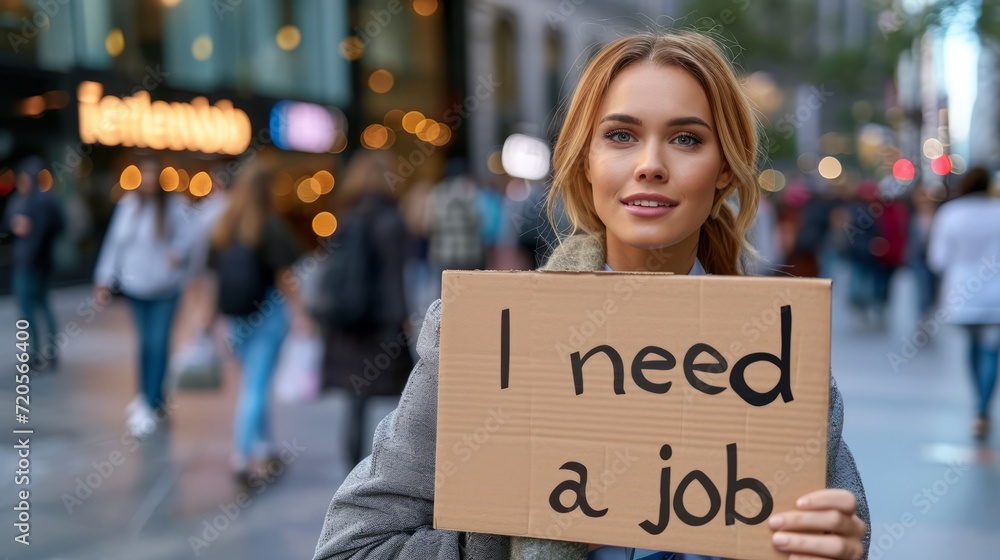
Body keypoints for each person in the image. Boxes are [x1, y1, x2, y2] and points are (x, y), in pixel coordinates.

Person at [314, 31, 870, 560]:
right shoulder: (485, 339)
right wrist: (497, 533)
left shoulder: (780, 364)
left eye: (686, 139)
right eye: (621, 135)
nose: (651, 164)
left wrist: (832, 546)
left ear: (724, 169)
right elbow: (353, 546)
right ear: (586, 159)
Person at [318, 151, 414, 467]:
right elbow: (393, 278)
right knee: (409, 397)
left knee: (355, 401)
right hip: (380, 324)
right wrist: (401, 321)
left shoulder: (347, 218)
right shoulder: (391, 219)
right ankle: (399, 469)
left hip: (348, 324)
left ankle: (352, 473)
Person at [210, 168, 303, 486]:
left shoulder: (225, 225)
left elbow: (213, 277)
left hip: (236, 318)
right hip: (267, 316)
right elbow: (285, 278)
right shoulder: (269, 226)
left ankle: (266, 448)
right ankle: (241, 456)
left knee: (253, 382)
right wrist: (303, 314)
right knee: (256, 388)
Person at [94, 156, 194, 438]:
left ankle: (149, 403)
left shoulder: (174, 207)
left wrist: (177, 253)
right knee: (146, 343)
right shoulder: (129, 206)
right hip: (136, 287)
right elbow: (114, 243)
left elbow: (188, 238)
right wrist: (104, 278)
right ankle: (150, 396)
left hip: (166, 287)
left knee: (159, 342)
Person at [927, 167, 1000, 439]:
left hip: (963, 294)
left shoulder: (951, 213)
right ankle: (983, 409)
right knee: (992, 351)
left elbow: (937, 259)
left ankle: (978, 405)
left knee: (973, 346)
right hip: (996, 296)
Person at [2, 155, 64, 369]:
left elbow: (56, 228)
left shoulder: (42, 200)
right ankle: (36, 351)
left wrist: (35, 229)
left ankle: (43, 352)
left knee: (38, 307)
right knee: (30, 309)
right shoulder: (19, 200)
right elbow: (8, 226)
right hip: (25, 262)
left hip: (37, 264)